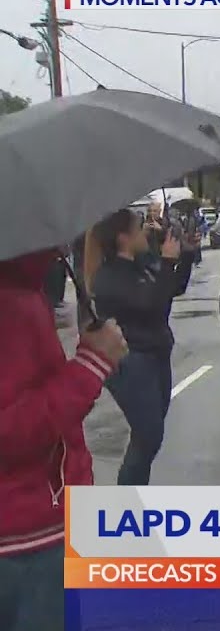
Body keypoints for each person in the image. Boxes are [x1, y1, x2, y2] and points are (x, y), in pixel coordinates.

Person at [0, 249, 127, 631]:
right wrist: (92, 363)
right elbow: (12, 430)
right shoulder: (9, 301)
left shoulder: (23, 289)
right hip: (25, 540)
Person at [91, 209, 196, 485]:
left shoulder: (143, 262)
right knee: (148, 435)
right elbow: (150, 306)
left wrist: (183, 255)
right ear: (123, 237)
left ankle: (135, 493)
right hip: (132, 360)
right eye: (139, 227)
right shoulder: (109, 277)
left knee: (149, 437)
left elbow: (172, 289)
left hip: (157, 353)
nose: (145, 231)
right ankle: (126, 503)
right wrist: (167, 263)